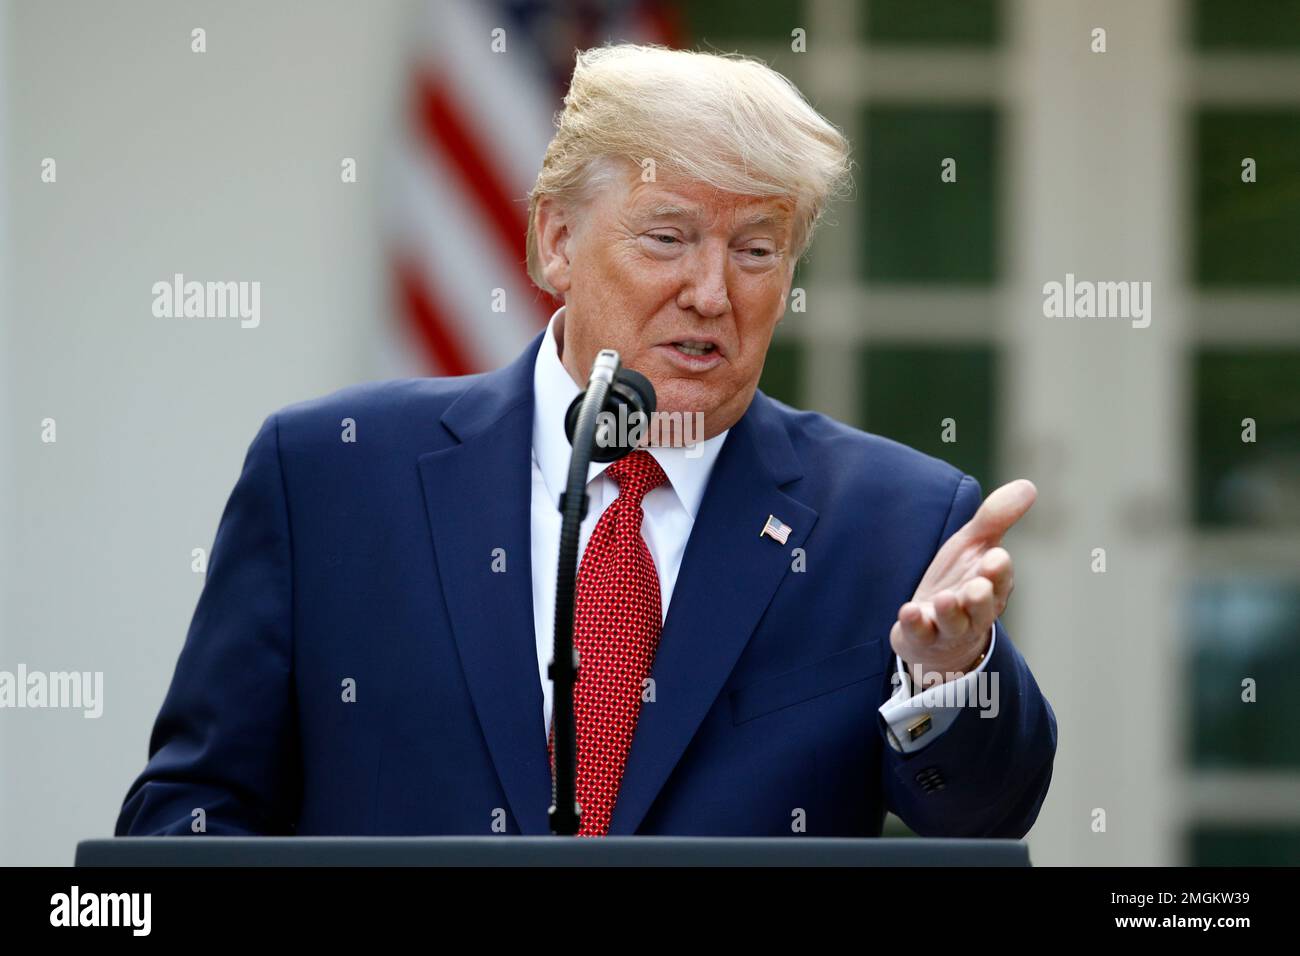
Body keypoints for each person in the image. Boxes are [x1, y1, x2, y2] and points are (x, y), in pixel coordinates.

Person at [117, 44, 1055, 839]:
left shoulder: (895, 519)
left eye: (757, 250)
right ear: (556, 241)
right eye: (667, 237)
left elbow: (986, 817)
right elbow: (191, 817)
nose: (712, 292)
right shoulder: (331, 478)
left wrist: (949, 680)